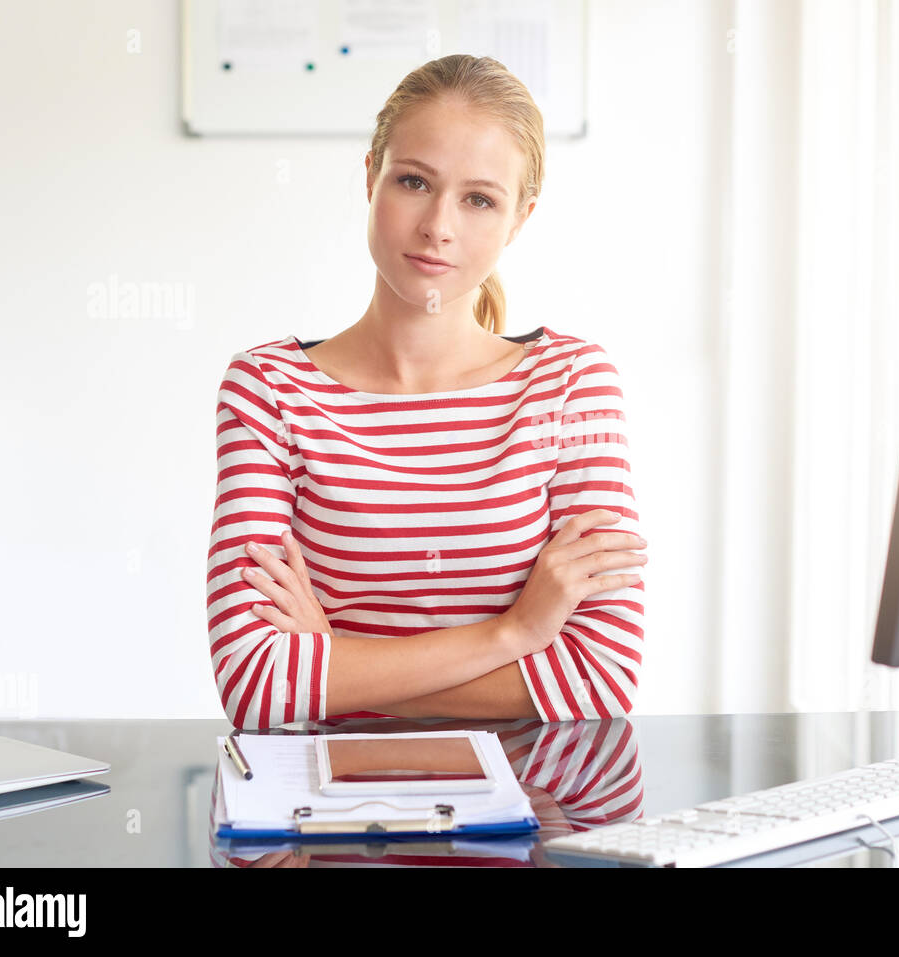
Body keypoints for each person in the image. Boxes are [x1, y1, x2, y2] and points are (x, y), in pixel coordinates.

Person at [206, 54, 646, 730]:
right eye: (414, 181)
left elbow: (602, 675)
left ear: (519, 218)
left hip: (532, 805)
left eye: (479, 199)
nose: (439, 225)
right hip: (327, 812)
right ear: (371, 177)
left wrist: (331, 660)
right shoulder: (270, 389)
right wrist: (514, 634)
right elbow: (255, 682)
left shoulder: (570, 383)